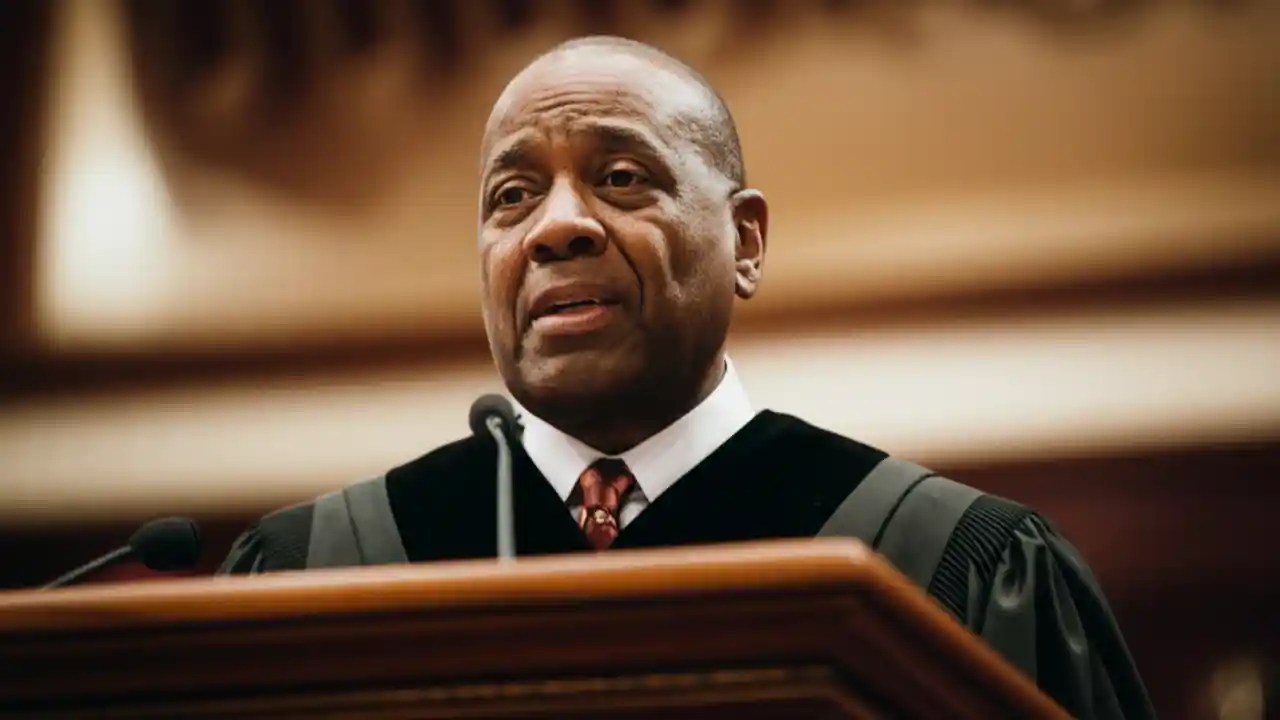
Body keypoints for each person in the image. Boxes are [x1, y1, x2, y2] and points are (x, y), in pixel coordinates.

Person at [220, 36, 1154, 719]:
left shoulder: (950, 567)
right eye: (512, 197)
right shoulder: (320, 569)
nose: (556, 226)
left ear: (744, 241)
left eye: (622, 178)